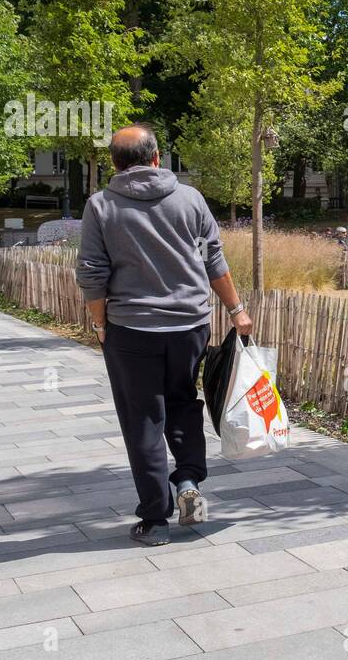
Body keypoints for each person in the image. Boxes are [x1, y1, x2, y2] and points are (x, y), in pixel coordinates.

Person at [76, 124, 254, 548]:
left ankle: (155, 520)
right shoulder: (190, 199)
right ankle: (189, 480)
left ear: (115, 165)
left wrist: (101, 325)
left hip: (132, 330)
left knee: (143, 420)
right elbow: (215, 260)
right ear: (157, 158)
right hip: (190, 326)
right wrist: (237, 310)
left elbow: (92, 274)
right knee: (183, 403)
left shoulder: (101, 205)